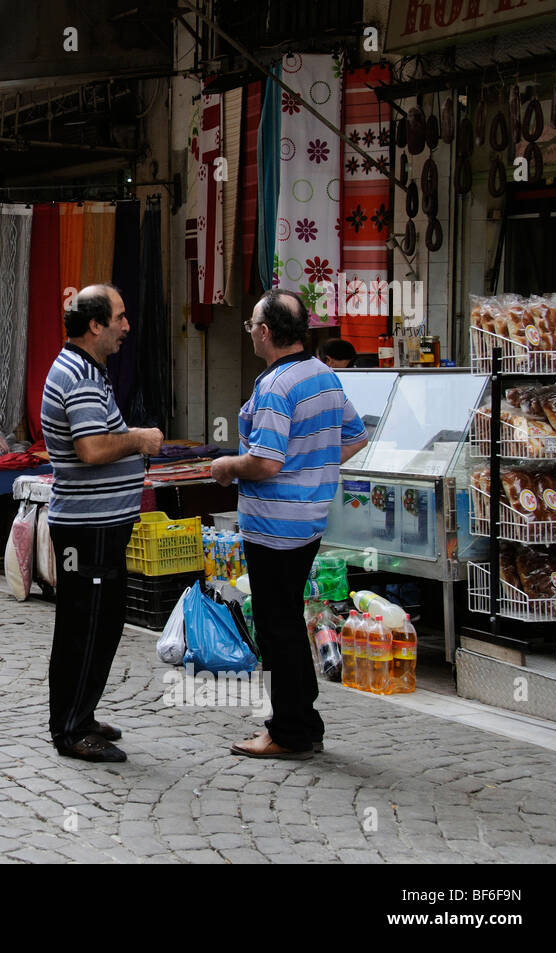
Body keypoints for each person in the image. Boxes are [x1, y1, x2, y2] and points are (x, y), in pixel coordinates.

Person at [211, 290, 369, 759]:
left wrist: (226, 466)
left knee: (278, 627)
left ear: (264, 332)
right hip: (309, 519)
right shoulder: (323, 375)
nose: (250, 334)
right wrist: (314, 467)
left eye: (251, 326)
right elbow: (355, 436)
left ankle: (289, 731)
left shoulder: (276, 386)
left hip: (274, 523)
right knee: (286, 621)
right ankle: (302, 723)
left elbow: (264, 463)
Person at [40, 284, 164, 763]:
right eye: (120, 316)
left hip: (98, 525)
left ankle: (81, 714)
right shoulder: (79, 374)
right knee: (84, 626)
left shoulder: (86, 369)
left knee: (101, 622)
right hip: (87, 529)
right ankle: (70, 730)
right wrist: (138, 440)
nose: (127, 326)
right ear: (95, 324)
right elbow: (91, 449)